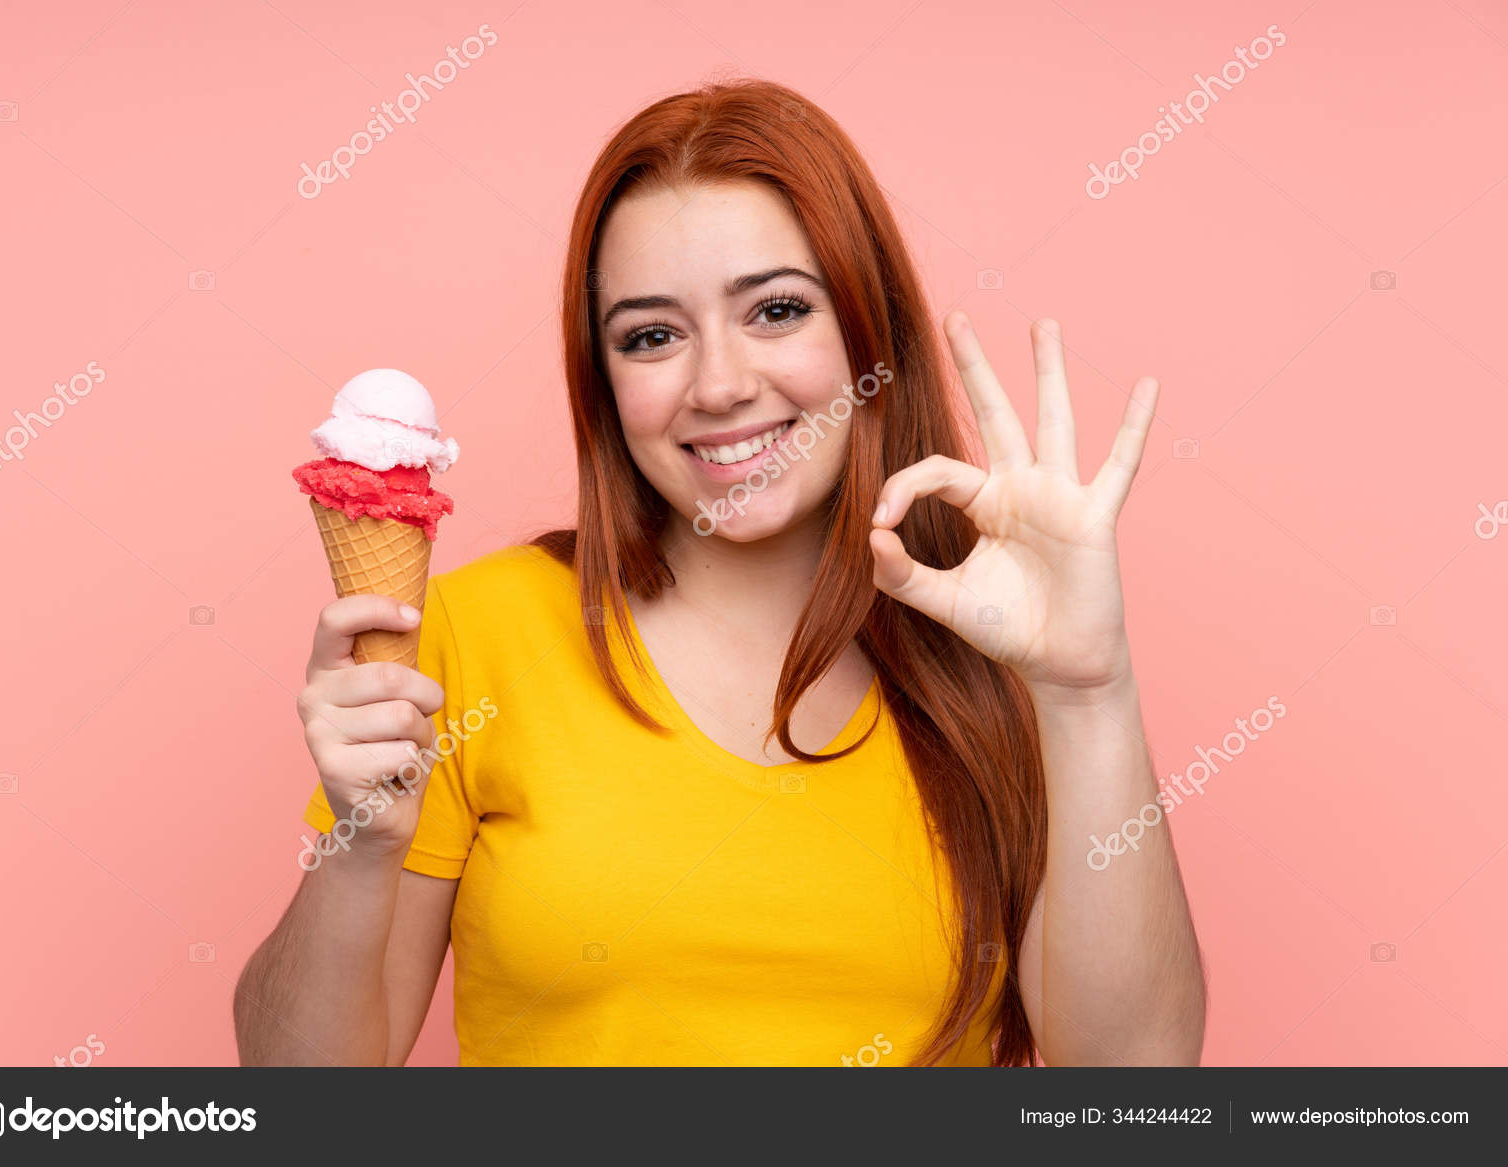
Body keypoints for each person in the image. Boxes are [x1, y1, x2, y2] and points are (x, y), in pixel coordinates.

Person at [234, 78, 1205, 1067]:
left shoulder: (1004, 654)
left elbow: (1135, 1088)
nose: (721, 385)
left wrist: (1086, 693)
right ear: (603, 382)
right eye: (651, 335)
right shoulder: (471, 637)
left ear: (872, 333)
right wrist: (356, 854)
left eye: (777, 310)